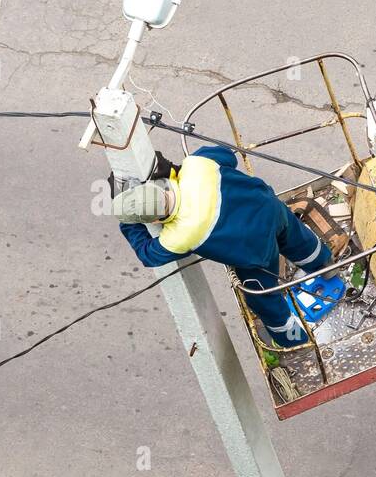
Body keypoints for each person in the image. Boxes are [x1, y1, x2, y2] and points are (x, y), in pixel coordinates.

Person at [113, 145, 334, 346]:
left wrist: (128, 225)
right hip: (271, 210)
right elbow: (227, 156)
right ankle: (324, 264)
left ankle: (291, 338)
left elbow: (148, 255)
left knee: (263, 297)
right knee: (300, 240)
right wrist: (176, 169)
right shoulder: (197, 165)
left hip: (256, 252)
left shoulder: (181, 235)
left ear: (154, 220)